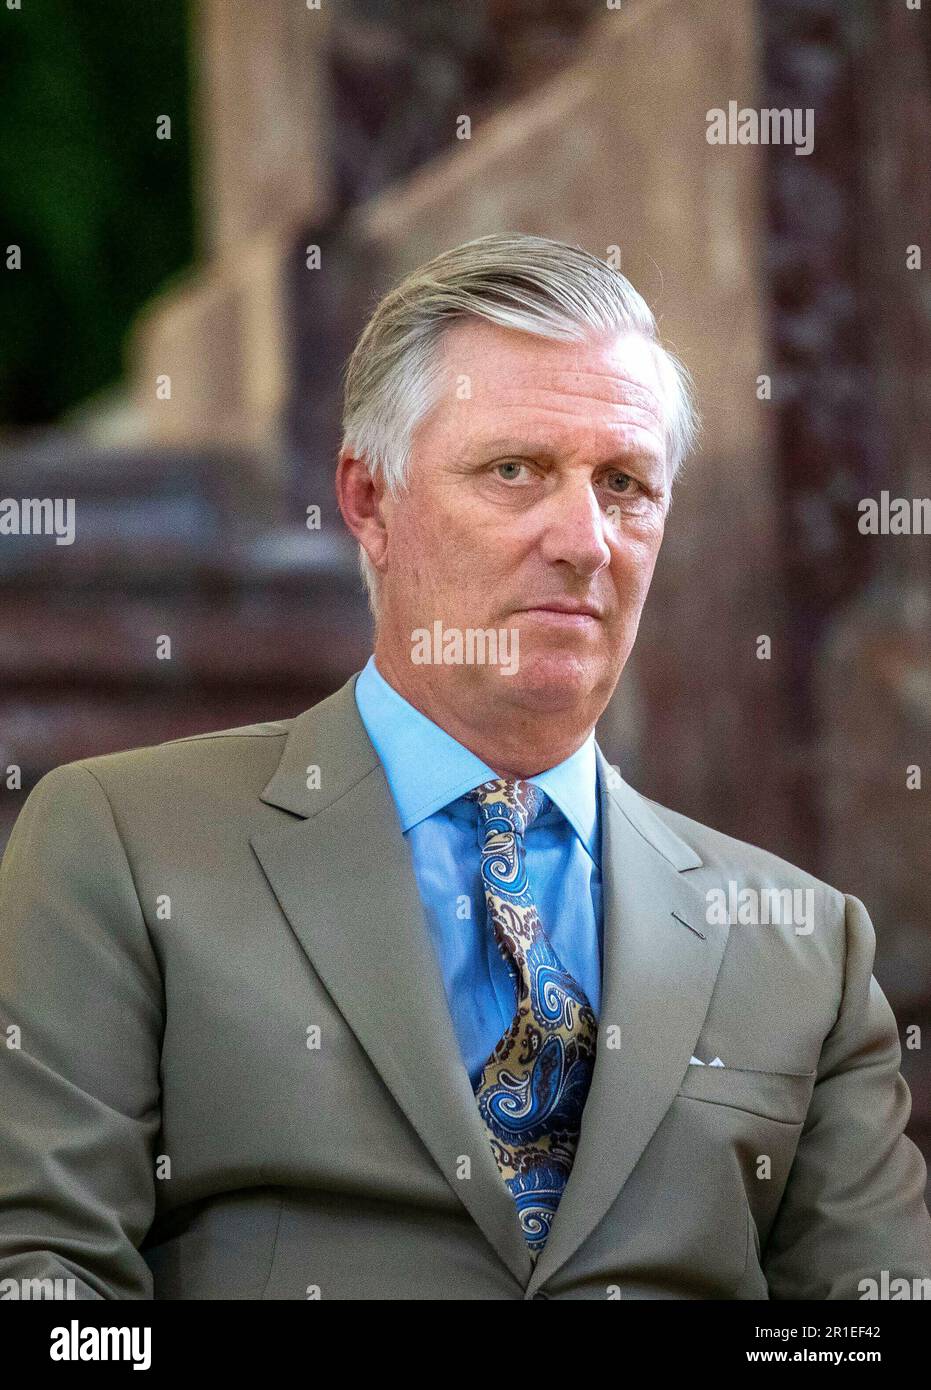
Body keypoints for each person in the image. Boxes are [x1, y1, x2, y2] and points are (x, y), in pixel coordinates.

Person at [1, 234, 929, 1300]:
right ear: (367, 498)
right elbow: (45, 1284)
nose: (583, 539)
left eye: (624, 483)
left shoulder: (803, 941)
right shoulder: (124, 846)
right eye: (514, 470)